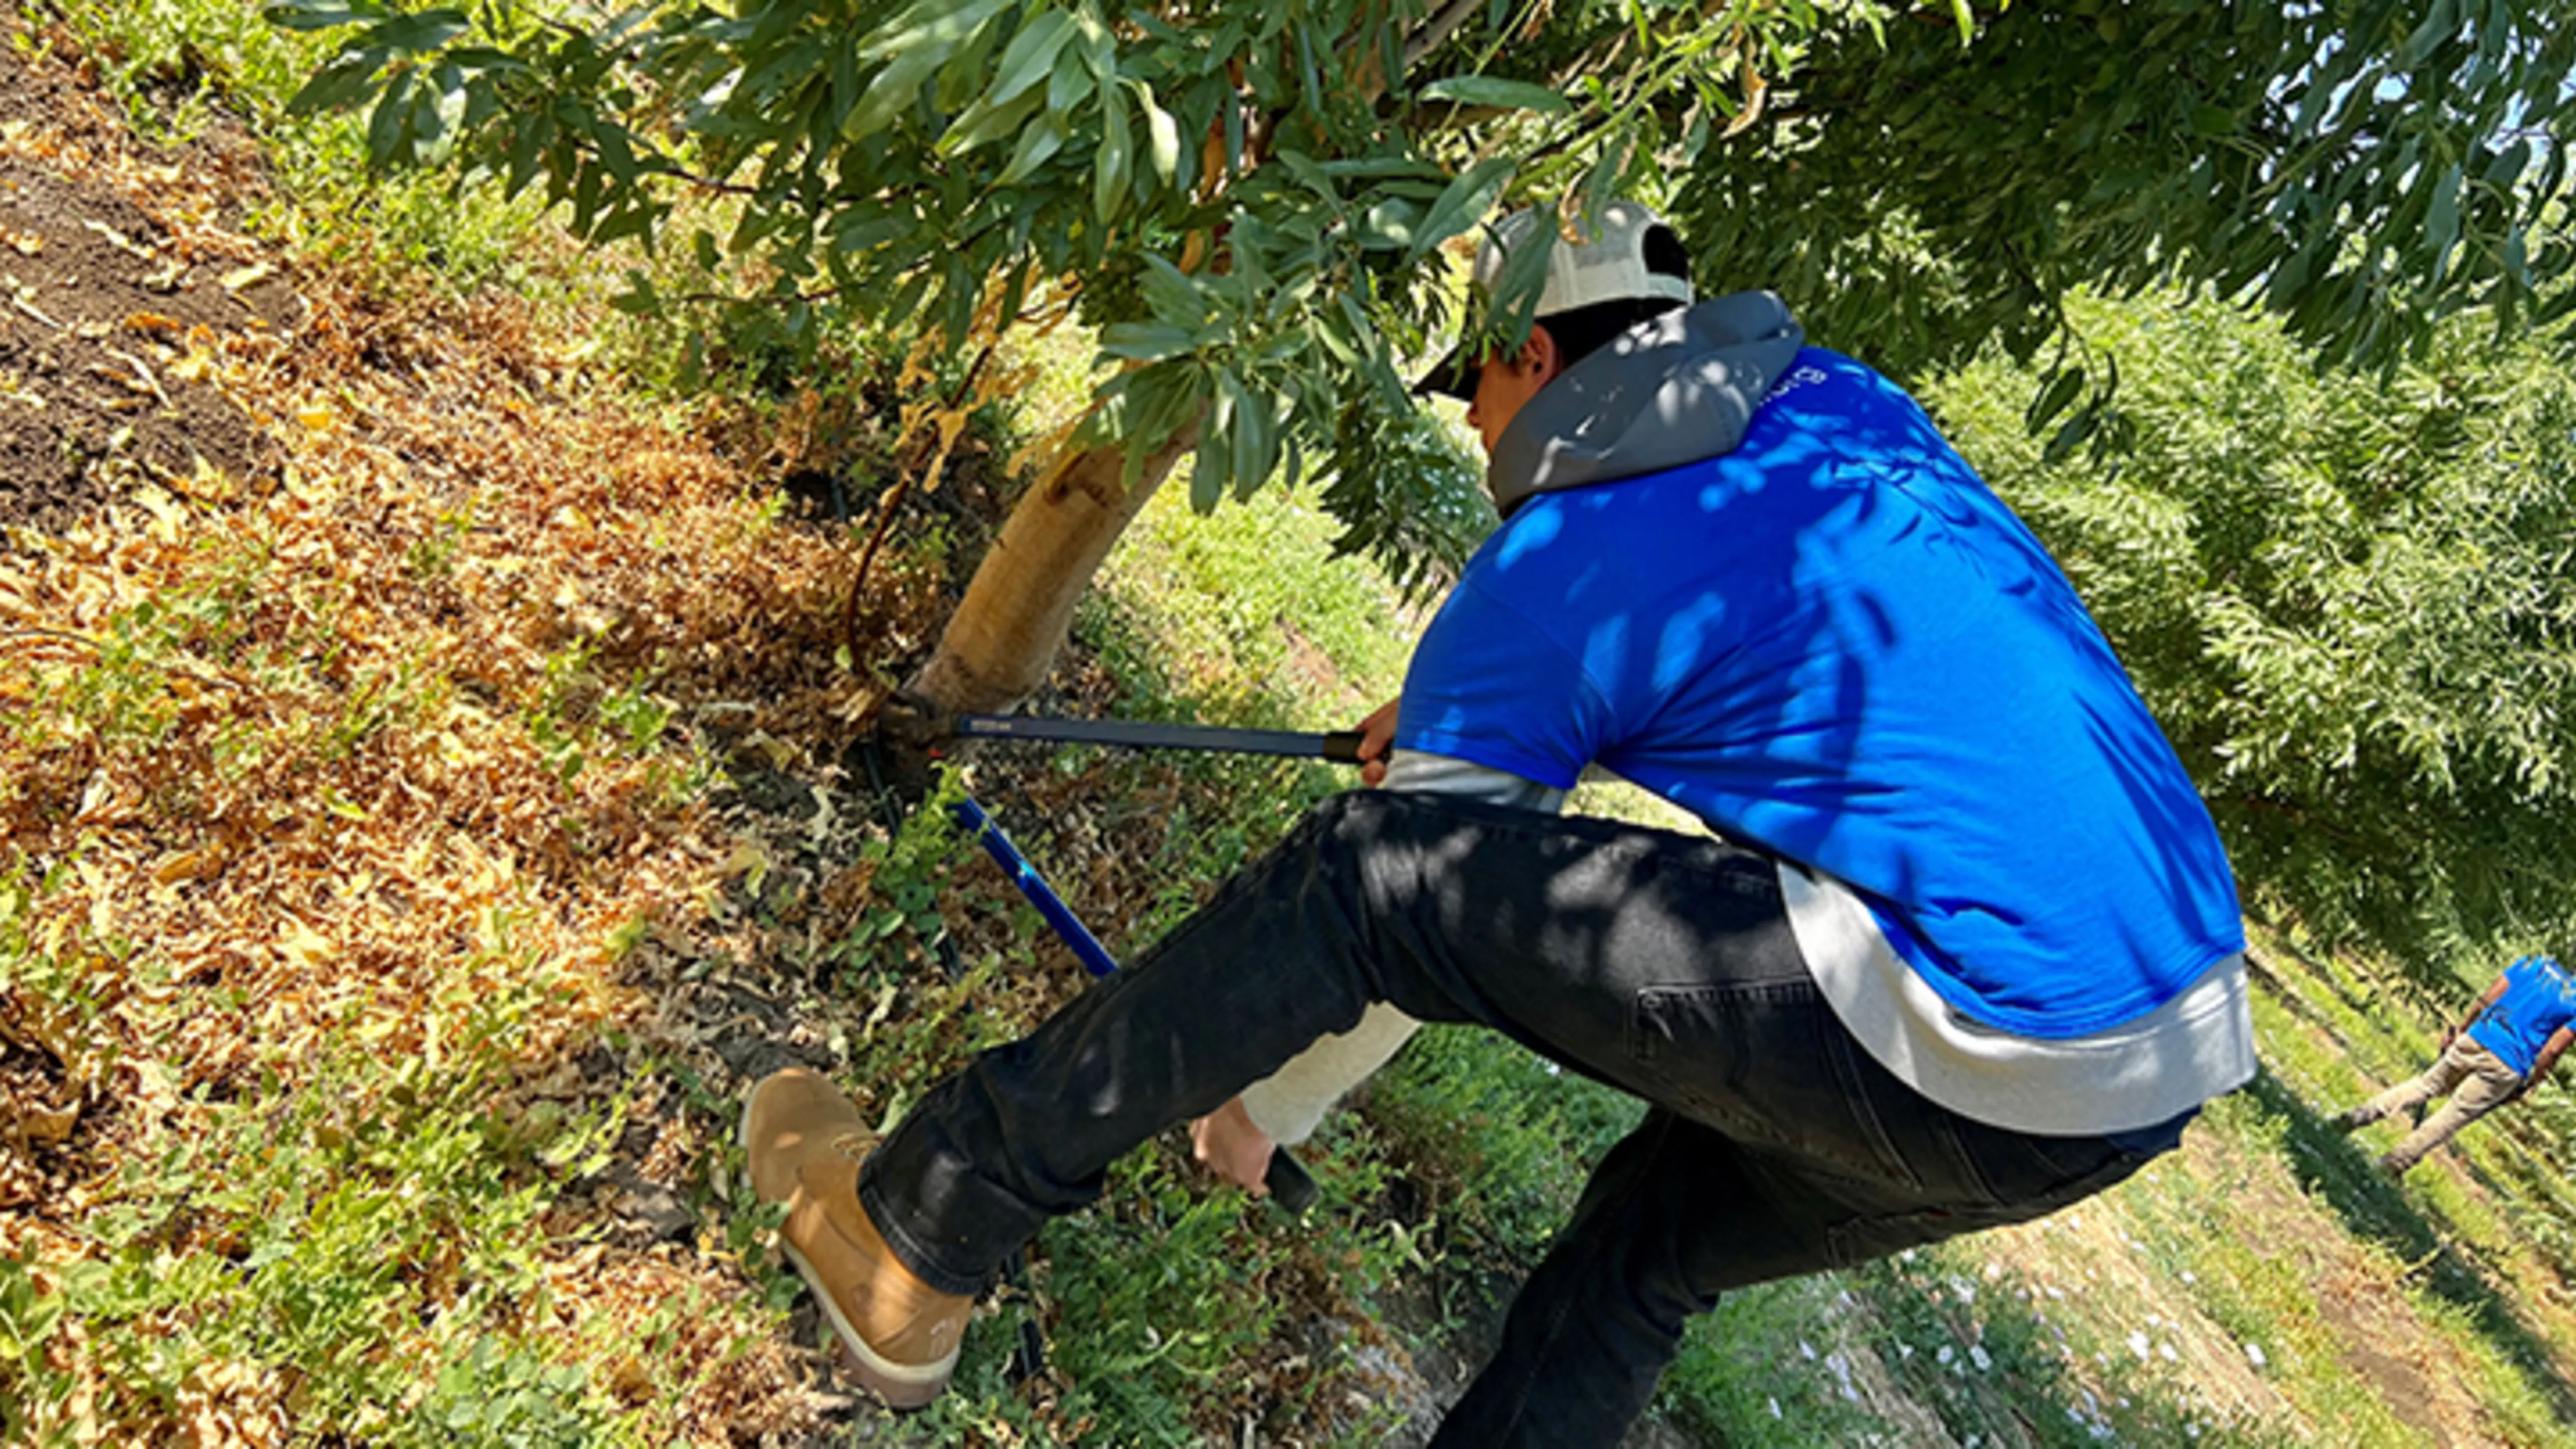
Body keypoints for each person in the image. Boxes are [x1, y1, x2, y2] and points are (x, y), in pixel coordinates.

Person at [742, 199, 2257, 1444]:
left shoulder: (1561, 558)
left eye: (1470, 389)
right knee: (1642, 1256)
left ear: (1530, 355)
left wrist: (1260, 1112)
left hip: (1975, 1002)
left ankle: (917, 1226)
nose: (1473, 430)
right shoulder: (1837, 408)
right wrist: (1492, 736)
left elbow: (1415, 909)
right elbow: (1828, 692)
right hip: (2142, 1062)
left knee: (1362, 878)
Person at [2329, 954, 2576, 1176]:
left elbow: (2488, 997)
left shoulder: (2533, 963)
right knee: (2453, 1116)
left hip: (2479, 1036)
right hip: (2509, 1063)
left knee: (2425, 1085)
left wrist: (2462, 1028)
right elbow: (2553, 1050)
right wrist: (2532, 1082)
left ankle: (2359, 1115)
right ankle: (2391, 1165)